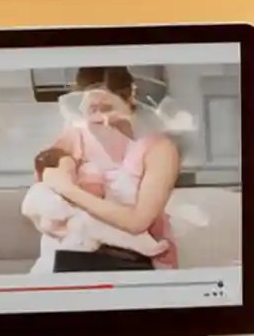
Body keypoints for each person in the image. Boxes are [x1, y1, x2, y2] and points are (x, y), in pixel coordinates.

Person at [37, 66, 181, 272]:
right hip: (71, 253)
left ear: (130, 95)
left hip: (134, 258)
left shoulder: (159, 149)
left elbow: (137, 222)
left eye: (107, 108)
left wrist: (70, 190)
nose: (100, 120)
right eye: (92, 110)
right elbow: (43, 190)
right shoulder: (74, 137)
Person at [20, 147, 170, 274]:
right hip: (56, 261)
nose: (72, 177)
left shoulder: (73, 193)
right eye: (67, 172)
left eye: (73, 173)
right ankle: (146, 246)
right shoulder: (41, 191)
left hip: (80, 252)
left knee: (100, 225)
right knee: (93, 223)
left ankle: (145, 246)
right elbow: (49, 213)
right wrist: (68, 196)